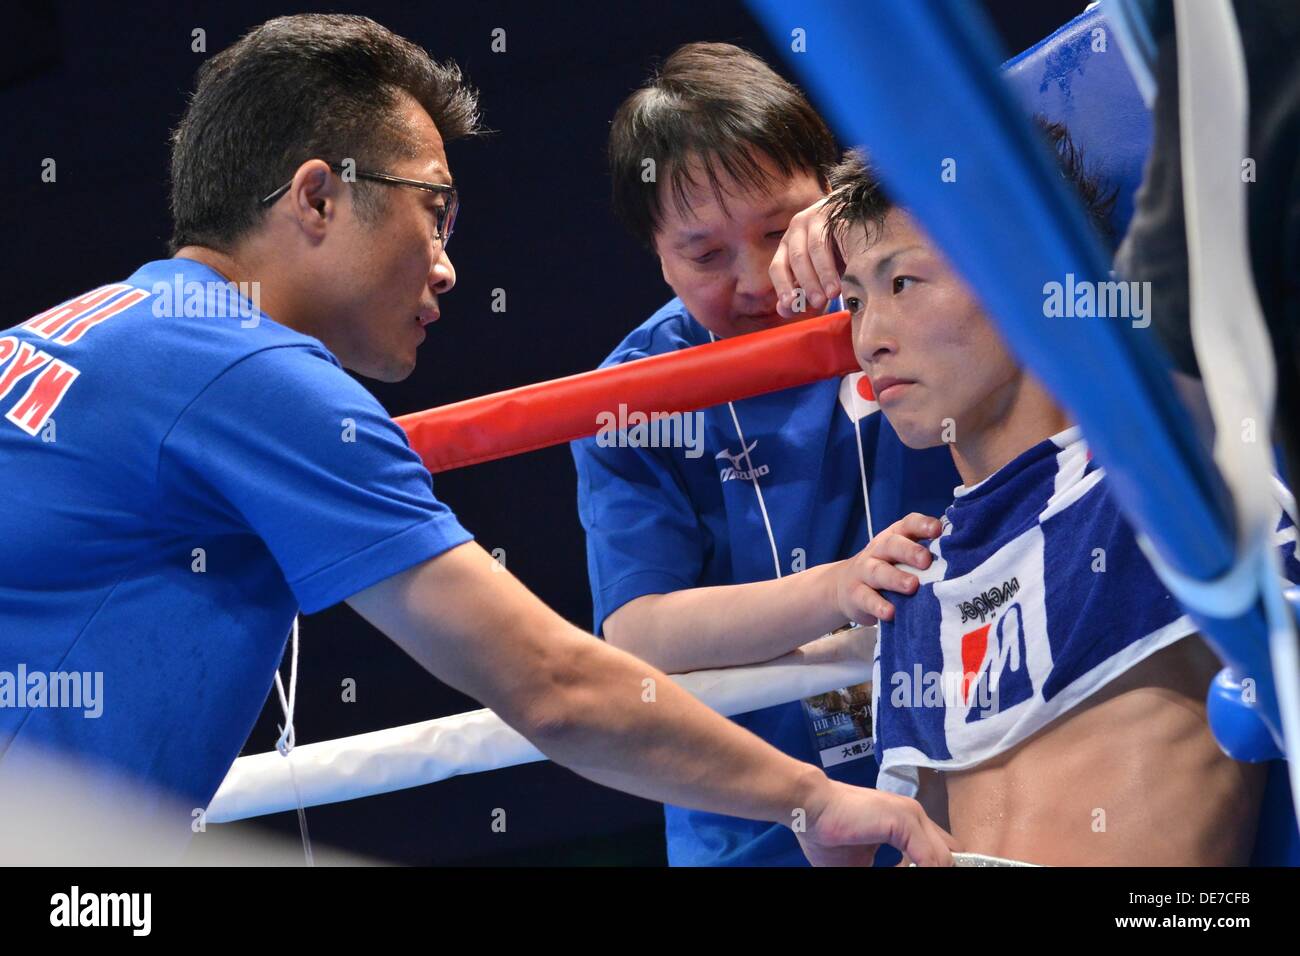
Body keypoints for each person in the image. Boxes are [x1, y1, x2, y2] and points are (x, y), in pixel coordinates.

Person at [0, 14, 956, 866]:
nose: (450, 264)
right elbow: (552, 683)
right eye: (435, 210)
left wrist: (867, 203)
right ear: (319, 199)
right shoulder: (251, 377)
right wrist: (815, 797)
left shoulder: (94, 330)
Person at [819, 133, 1299, 864]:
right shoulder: (913, 580)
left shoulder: (1166, 498)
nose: (869, 339)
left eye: (901, 284)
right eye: (853, 302)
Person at [572, 42, 958, 866]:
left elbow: (1020, 151)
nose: (754, 279)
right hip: (757, 825)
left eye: (781, 230)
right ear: (656, 253)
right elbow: (637, 631)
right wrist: (838, 587)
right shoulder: (630, 396)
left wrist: (876, 204)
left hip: (972, 764)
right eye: (705, 255)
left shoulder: (921, 287)